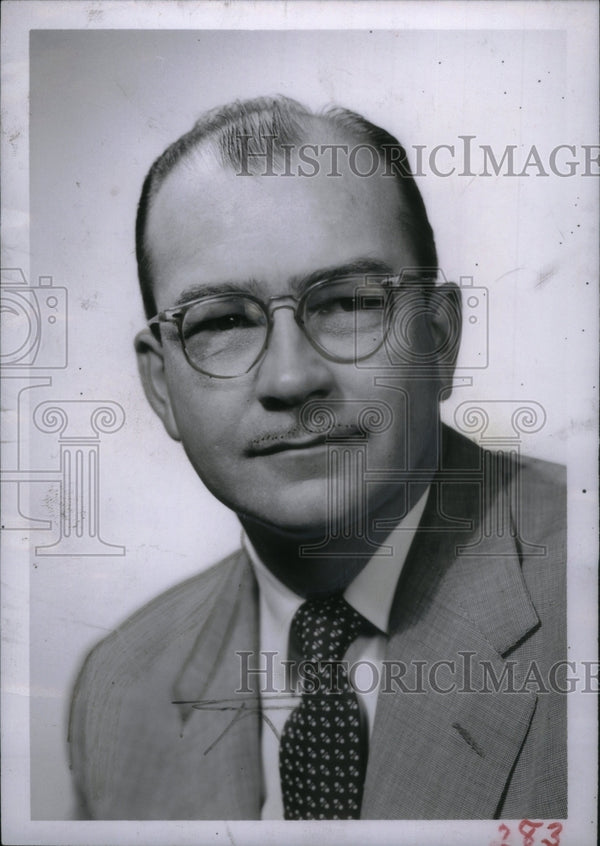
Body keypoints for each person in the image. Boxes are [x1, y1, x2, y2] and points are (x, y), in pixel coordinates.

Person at [68, 96, 566, 820]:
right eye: (225, 321)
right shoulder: (117, 691)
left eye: (347, 304)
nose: (291, 378)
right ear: (160, 386)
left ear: (441, 339)